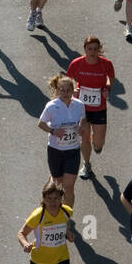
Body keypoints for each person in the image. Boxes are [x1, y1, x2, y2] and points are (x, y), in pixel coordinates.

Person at [67, 36, 115, 179]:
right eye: (89, 49)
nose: (92, 52)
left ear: (99, 49)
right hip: (81, 108)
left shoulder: (105, 64)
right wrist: (73, 91)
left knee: (98, 145)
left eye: (95, 49)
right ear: (85, 50)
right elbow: (68, 80)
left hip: (99, 107)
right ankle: (86, 164)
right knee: (84, 139)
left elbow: (111, 77)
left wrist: (107, 88)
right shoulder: (77, 63)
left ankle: (96, 141)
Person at [38, 73, 87, 212]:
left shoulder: (79, 105)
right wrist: (53, 131)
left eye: (68, 90)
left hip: (73, 150)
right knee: (58, 185)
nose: (65, 93)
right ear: (57, 90)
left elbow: (83, 119)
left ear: (73, 91)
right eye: (62, 90)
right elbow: (41, 124)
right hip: (55, 151)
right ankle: (51, 185)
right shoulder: (52, 106)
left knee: (69, 186)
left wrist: (80, 127)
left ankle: (66, 216)